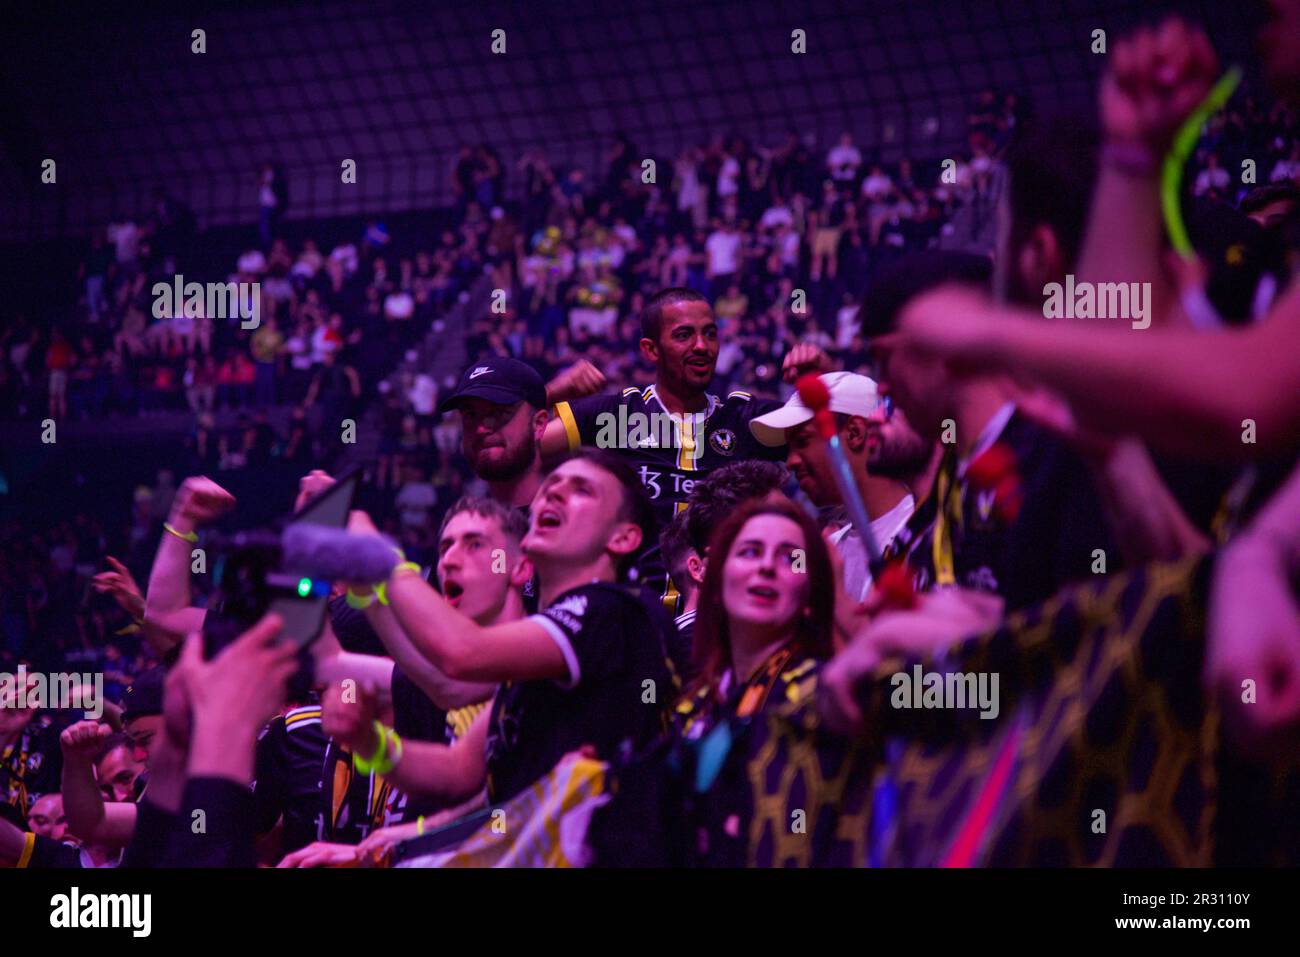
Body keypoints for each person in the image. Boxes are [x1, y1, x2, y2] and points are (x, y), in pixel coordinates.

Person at [320, 450, 676, 821]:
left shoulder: (614, 610)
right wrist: (369, 741)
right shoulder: (545, 652)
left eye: (582, 490)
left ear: (623, 538)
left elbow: (460, 654)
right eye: (551, 485)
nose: (552, 493)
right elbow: (457, 767)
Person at [542, 287, 818, 609]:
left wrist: (821, 377)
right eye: (684, 335)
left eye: (710, 334)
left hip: (725, 624)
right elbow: (515, 446)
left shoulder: (746, 420)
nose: (701, 346)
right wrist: (551, 392)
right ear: (651, 349)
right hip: (632, 623)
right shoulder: (615, 416)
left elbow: (838, 440)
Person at [750, 372, 915, 599]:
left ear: (855, 433)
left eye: (802, 441)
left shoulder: (925, 531)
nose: (791, 462)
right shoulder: (829, 553)